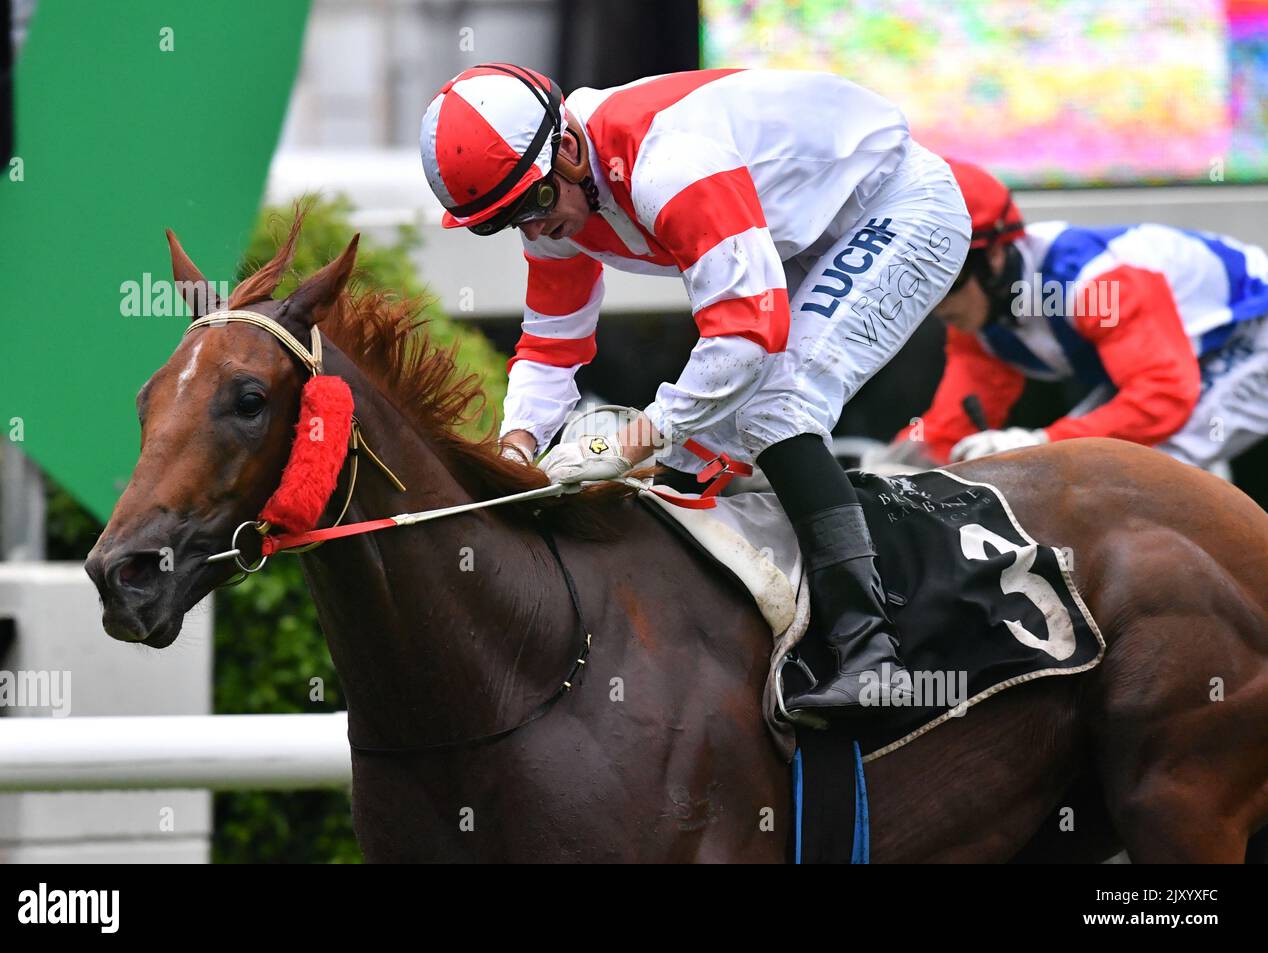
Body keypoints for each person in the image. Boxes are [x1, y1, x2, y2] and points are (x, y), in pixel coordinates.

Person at [419, 64, 969, 719]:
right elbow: (550, 347)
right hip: (794, 237)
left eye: (532, 207)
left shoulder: (666, 164)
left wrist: (631, 439)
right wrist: (513, 453)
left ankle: (871, 654)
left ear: (567, 149)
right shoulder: (555, 191)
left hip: (898, 206)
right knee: (689, 461)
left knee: (775, 407)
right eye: (504, 222)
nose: (533, 232)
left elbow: (745, 337)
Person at [873, 159, 1268, 471]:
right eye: (920, 282)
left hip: (1252, 331)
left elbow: (1162, 399)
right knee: (1079, 468)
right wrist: (895, 465)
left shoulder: (1098, 284)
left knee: (1137, 471)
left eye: (948, 281)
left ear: (994, 257)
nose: (937, 305)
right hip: (1176, 356)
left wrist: (1041, 443)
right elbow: (954, 422)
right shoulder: (980, 308)